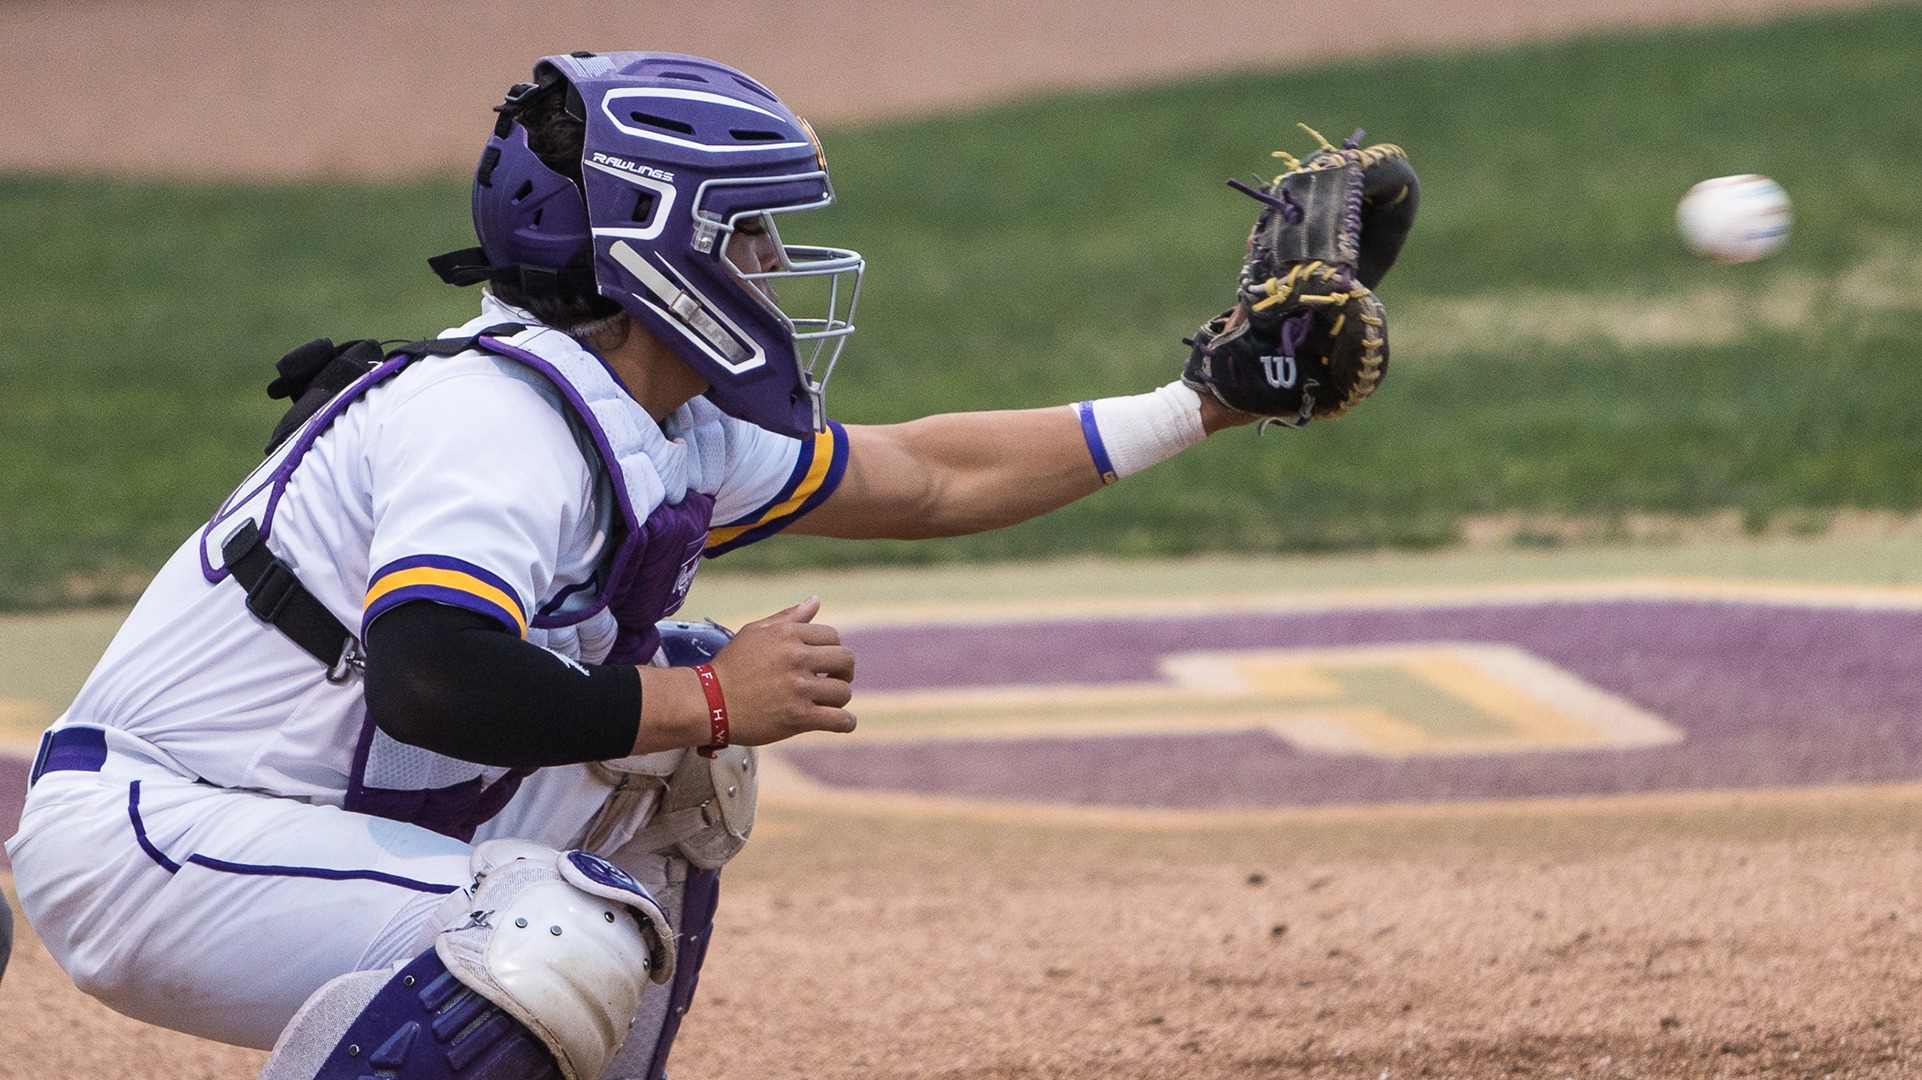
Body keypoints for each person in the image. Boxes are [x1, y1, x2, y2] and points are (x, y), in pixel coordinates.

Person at [6, 51, 1336, 1080]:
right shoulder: (493, 424)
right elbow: (430, 678)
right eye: (748, 233)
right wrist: (708, 702)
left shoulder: (661, 420)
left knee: (670, 752)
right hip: (161, 839)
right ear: (658, 249)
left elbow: (931, 479)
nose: (774, 265)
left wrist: (1210, 398)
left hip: (317, 815)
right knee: (564, 914)